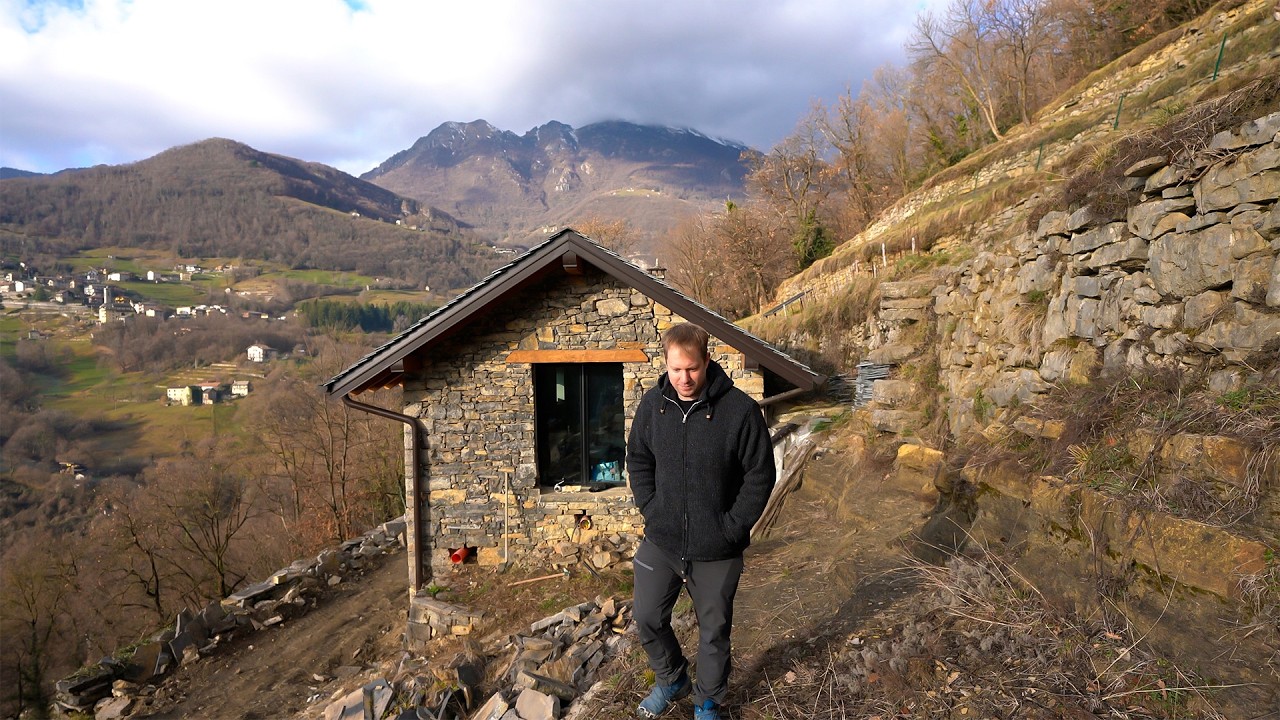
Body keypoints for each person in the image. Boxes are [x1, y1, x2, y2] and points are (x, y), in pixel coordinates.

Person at [626, 322, 776, 720]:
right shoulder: (652, 407)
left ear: (707, 360)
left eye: (691, 368)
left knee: (713, 634)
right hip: (663, 539)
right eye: (676, 369)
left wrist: (732, 527)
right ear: (666, 364)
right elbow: (638, 459)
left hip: (718, 547)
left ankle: (707, 702)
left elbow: (760, 475)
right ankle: (672, 680)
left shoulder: (739, 411)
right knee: (646, 616)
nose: (684, 378)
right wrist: (652, 508)